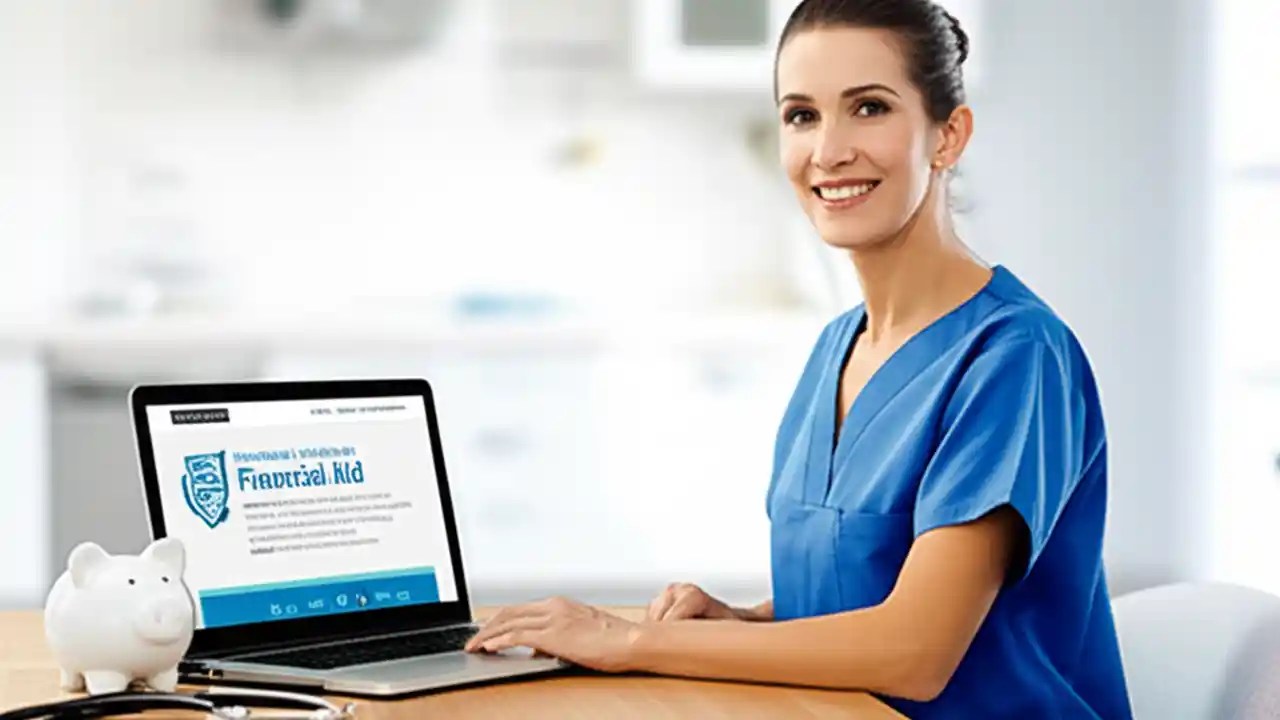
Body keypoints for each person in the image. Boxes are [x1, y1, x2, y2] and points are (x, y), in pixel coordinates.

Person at [466, 0, 1133, 716]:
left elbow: (915, 650)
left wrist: (626, 639)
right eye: (801, 115)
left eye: (869, 108)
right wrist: (747, 624)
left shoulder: (1014, 357)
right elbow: (866, 582)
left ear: (948, 135)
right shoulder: (839, 346)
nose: (829, 150)